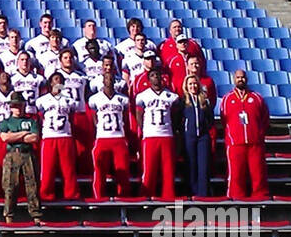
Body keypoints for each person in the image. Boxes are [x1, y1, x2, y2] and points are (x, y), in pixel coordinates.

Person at [217, 69, 270, 200]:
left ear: (247, 79)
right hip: (235, 143)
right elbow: (224, 120)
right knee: (236, 172)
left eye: (243, 77)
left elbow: (265, 118)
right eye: (238, 77)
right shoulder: (227, 99)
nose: (240, 79)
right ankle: (236, 195)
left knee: (258, 171)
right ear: (234, 79)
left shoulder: (257, 97)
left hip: (254, 142)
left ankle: (260, 195)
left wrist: (258, 133)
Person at [0, 91, 43, 224]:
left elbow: (34, 138)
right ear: (11, 107)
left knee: (32, 185)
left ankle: (36, 216)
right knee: (10, 185)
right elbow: (5, 137)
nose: (18, 108)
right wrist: (24, 134)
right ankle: (9, 216)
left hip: (27, 154)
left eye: (20, 105)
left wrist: (15, 135)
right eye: (15, 105)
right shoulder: (6, 122)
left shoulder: (31, 121)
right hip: (12, 155)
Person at [135, 67, 181, 201]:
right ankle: (146, 196)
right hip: (150, 135)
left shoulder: (171, 96)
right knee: (149, 169)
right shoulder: (143, 96)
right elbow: (139, 114)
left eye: (158, 75)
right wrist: (144, 129)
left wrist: (174, 128)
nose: (156, 78)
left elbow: (176, 115)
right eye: (153, 75)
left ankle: (169, 197)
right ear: (148, 79)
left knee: (168, 169)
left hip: (167, 135)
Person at [88, 68, 134, 199]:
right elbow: (94, 119)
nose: (109, 81)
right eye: (106, 78)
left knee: (123, 170)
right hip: (102, 138)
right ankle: (98, 198)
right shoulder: (94, 99)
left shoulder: (122, 99)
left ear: (115, 81)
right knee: (99, 170)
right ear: (102, 81)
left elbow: (126, 118)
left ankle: (124, 198)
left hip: (119, 137)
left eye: (111, 78)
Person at [36, 73, 79, 201]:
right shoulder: (42, 100)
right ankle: (46, 195)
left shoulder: (69, 101)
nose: (58, 82)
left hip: (65, 136)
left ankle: (71, 195)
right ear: (50, 83)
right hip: (49, 137)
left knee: (68, 168)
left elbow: (71, 118)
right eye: (55, 79)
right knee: (48, 168)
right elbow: (39, 118)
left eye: (60, 80)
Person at [180, 74, 215, 198]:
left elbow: (210, 119)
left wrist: (204, 127)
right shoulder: (183, 100)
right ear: (186, 86)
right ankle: (191, 193)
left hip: (203, 137)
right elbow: (178, 118)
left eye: (195, 83)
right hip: (189, 136)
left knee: (203, 166)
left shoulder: (204, 100)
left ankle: (203, 194)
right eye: (190, 84)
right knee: (191, 165)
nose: (193, 86)